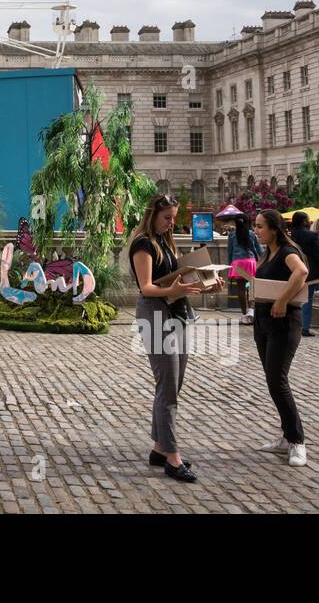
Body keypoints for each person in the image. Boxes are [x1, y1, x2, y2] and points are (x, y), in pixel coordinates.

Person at [131, 194, 204, 483]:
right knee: (168, 389)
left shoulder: (164, 241)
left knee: (173, 385)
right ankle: (172, 459)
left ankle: (159, 448)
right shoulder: (143, 244)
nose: (173, 223)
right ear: (152, 215)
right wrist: (181, 289)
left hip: (176, 313)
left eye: (174, 217)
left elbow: (175, 283)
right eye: (167, 218)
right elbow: (147, 288)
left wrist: (204, 284)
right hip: (155, 315)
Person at [252, 209, 309, 467]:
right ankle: (287, 436)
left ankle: (297, 441)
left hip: (283, 322)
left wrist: (282, 300)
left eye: (260, 226)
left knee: (278, 381)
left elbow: (301, 273)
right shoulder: (267, 253)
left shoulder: (287, 252)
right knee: (272, 381)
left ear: (275, 229)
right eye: (255, 226)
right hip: (263, 321)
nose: (256, 230)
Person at [289, 212, 319, 337]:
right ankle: (304, 327)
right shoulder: (311, 236)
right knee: (307, 299)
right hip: (309, 271)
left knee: (292, 298)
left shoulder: (290, 236)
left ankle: (292, 325)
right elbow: (317, 254)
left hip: (292, 270)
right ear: (304, 221)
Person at [225, 213, 262, 325]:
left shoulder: (232, 235)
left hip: (237, 264)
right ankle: (251, 310)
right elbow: (259, 250)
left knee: (241, 290)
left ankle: (244, 314)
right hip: (250, 263)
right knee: (252, 288)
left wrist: (230, 265)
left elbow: (230, 252)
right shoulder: (252, 234)